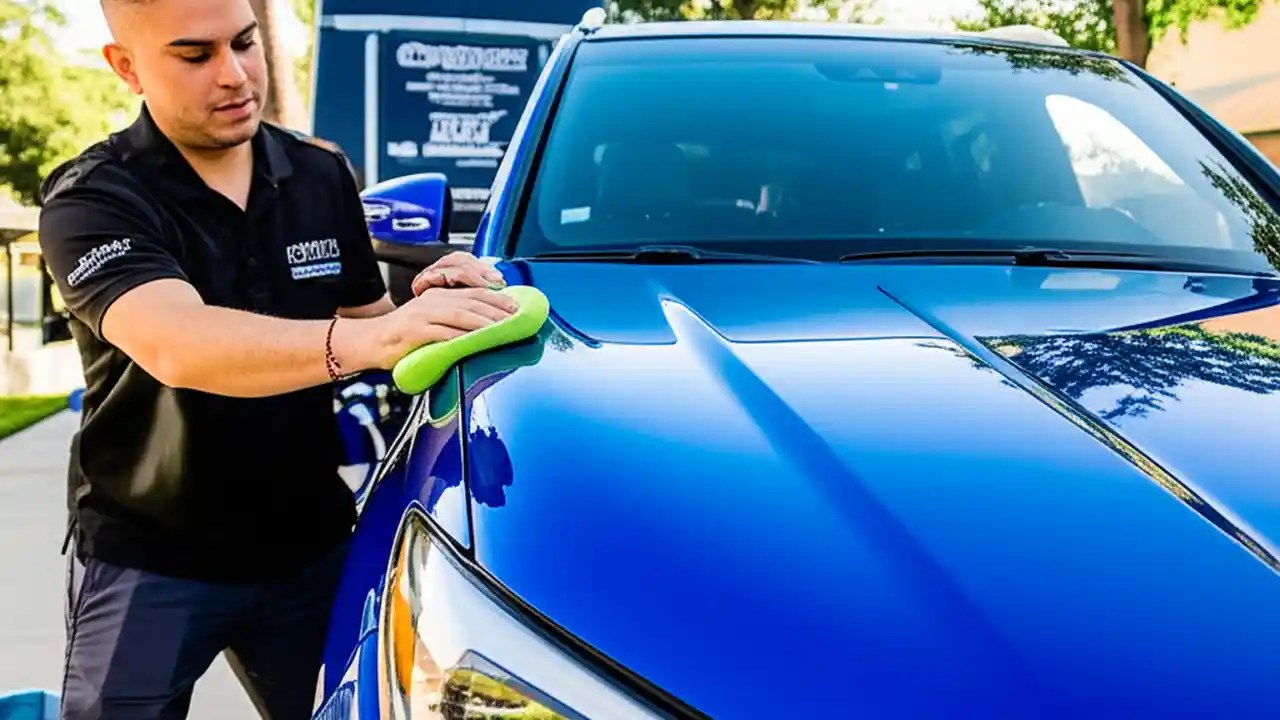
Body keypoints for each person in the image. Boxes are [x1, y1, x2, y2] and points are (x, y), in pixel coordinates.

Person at [36, 0, 517, 718]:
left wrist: (425, 309)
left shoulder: (320, 175)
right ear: (126, 66)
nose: (234, 76)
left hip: (308, 552)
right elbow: (177, 343)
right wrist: (367, 341)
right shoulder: (93, 199)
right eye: (195, 56)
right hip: (149, 558)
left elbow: (372, 329)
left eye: (245, 43)